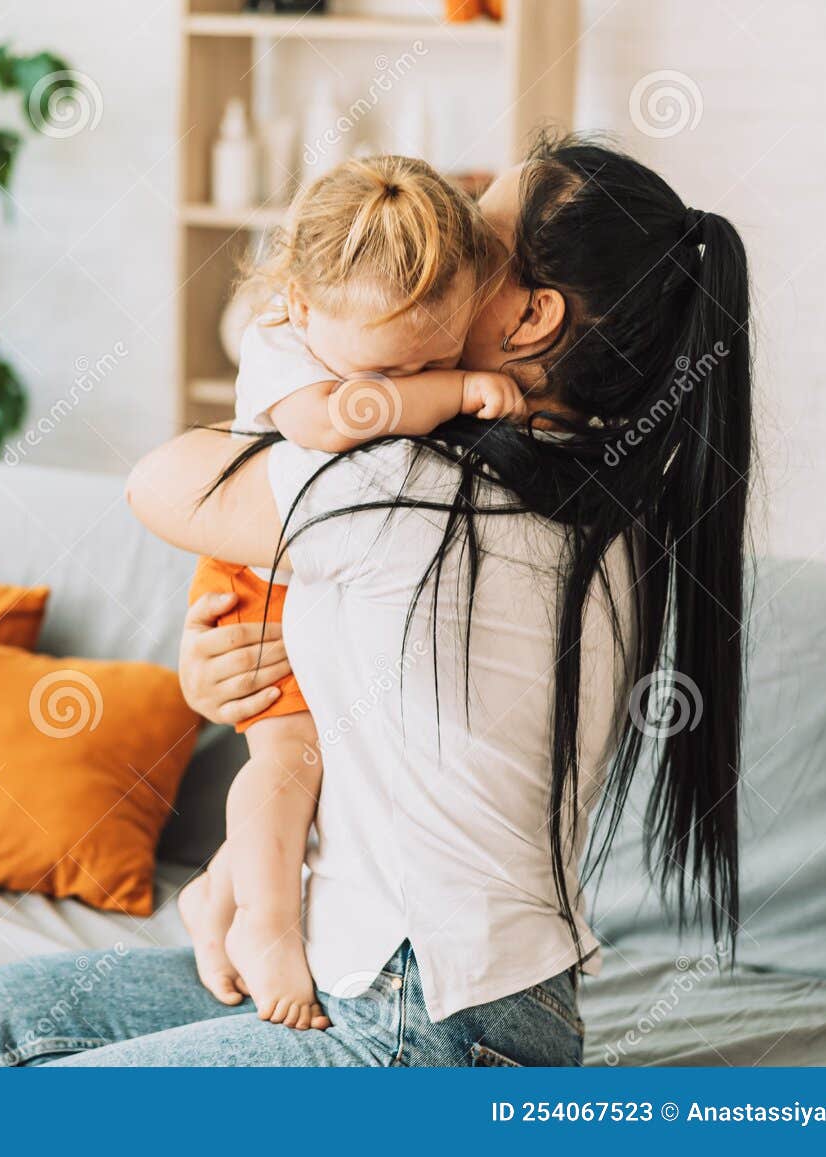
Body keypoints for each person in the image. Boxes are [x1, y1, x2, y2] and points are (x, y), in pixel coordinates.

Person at [0, 135, 753, 1067]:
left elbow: (162, 484)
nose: (437, 243)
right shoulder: (613, 514)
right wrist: (232, 676)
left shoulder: (416, 486)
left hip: (429, 1014)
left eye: (473, 239)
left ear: (531, 318)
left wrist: (313, 362)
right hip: (401, 977)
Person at [175, 155, 524, 1031]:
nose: (407, 389)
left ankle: (221, 886)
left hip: (312, 572)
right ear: (297, 305)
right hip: (258, 574)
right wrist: (453, 387)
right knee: (287, 759)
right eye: (390, 375)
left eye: (432, 361)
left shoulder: (351, 315)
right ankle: (263, 921)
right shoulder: (279, 343)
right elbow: (333, 421)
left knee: (331, 766)